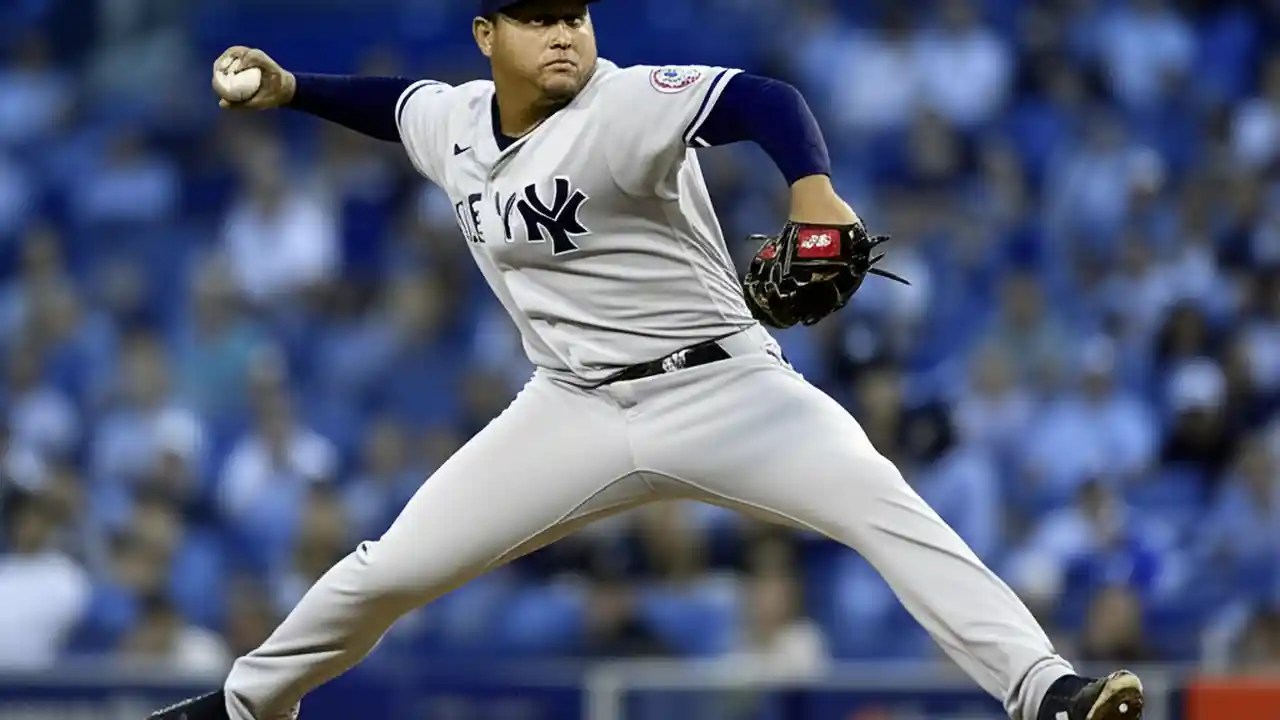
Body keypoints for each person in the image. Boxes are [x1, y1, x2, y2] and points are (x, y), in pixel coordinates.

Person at [150, 1, 1143, 719]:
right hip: (569, 409)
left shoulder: (622, 106)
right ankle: (245, 706)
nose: (565, 36)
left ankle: (1042, 689)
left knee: (884, 508)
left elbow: (761, 97)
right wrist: (287, 88)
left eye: (575, 16)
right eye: (537, 20)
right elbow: (390, 103)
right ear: (485, 37)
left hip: (726, 388)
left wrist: (811, 188)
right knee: (388, 571)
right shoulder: (455, 122)